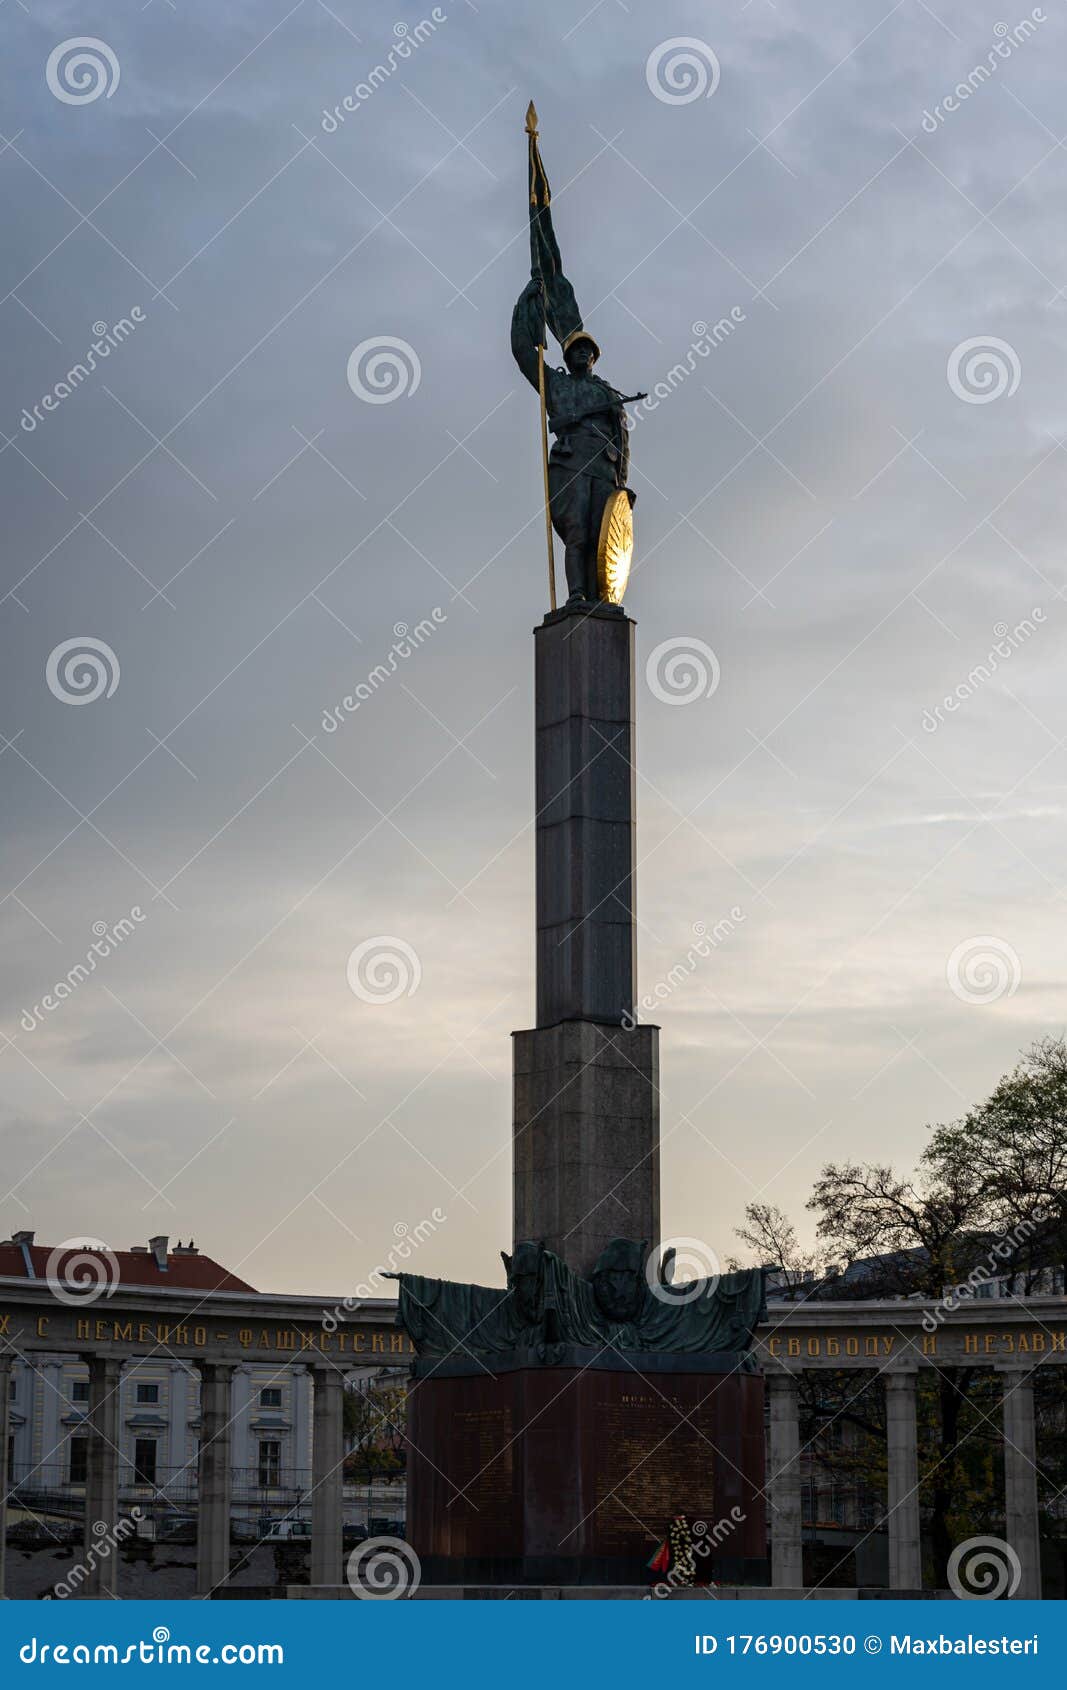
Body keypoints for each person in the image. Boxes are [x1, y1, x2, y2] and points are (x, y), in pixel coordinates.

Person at [511, 277, 644, 604]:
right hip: (571, 465)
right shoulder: (555, 385)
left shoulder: (607, 394)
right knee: (578, 534)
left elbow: (623, 441)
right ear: (567, 356)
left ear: (594, 357)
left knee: (602, 539)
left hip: (603, 468)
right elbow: (521, 351)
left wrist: (622, 484)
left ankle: (601, 599)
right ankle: (577, 596)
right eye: (577, 349)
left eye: (588, 349)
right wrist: (525, 305)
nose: (583, 352)